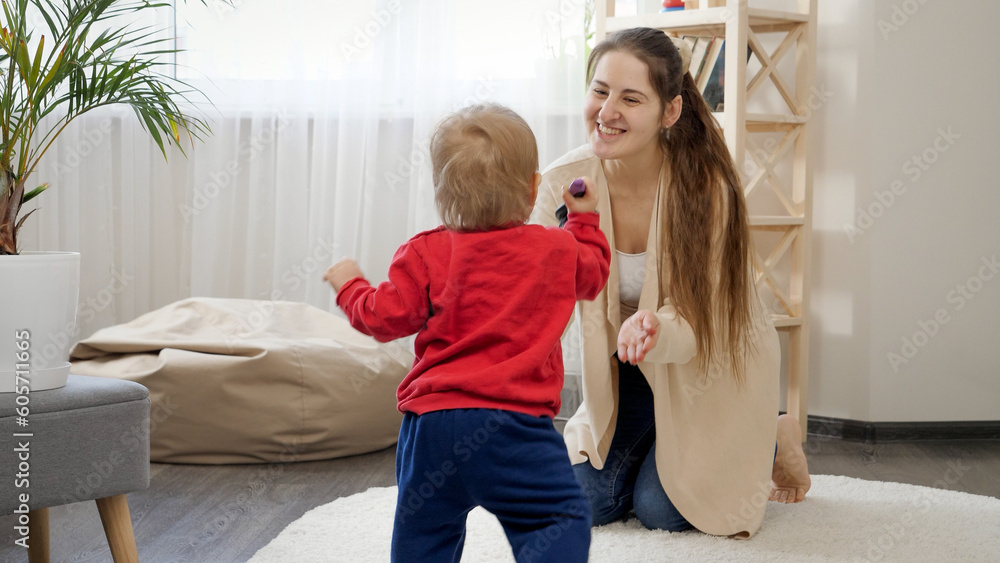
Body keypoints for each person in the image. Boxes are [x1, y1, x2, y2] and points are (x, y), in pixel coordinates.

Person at [529, 27, 811, 538]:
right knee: (589, 504)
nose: (606, 111)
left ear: (671, 111)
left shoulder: (706, 189)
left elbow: (704, 318)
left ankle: (771, 432)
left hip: (711, 366)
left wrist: (655, 328)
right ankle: (659, 448)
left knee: (664, 511)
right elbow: (532, 287)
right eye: (599, 90)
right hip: (629, 372)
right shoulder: (562, 182)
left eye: (630, 98)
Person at [324, 103, 611, 562]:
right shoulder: (555, 249)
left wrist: (350, 287)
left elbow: (381, 318)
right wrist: (582, 219)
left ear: (441, 192)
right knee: (555, 518)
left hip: (432, 426)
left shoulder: (424, 253)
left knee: (424, 534)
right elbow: (593, 273)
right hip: (512, 426)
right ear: (534, 186)